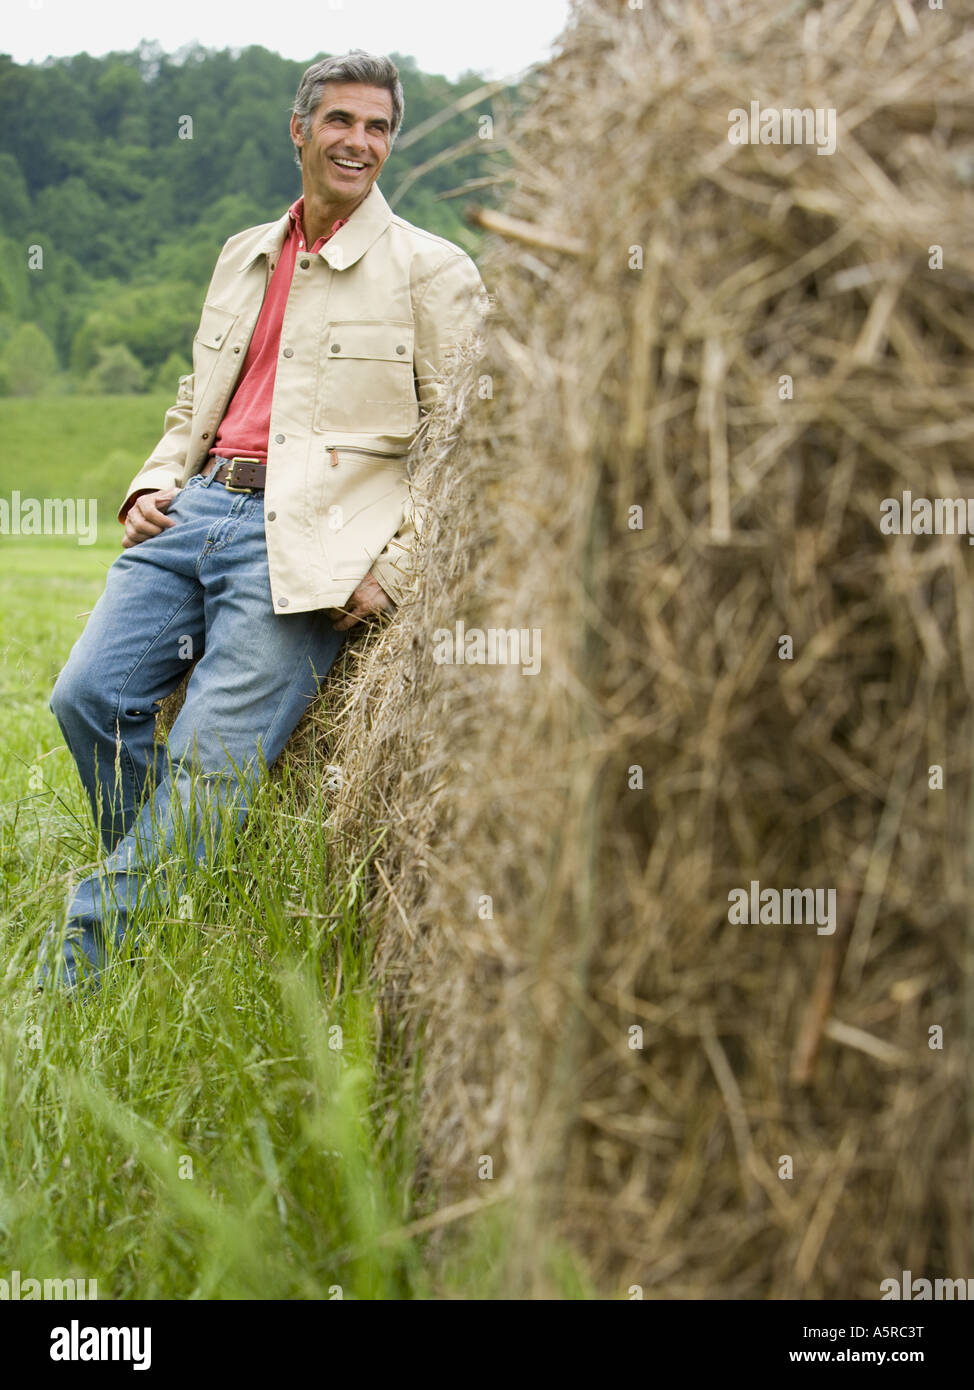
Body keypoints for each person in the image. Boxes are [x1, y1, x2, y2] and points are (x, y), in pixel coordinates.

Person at [36, 50, 488, 991]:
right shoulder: (244, 253)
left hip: (308, 546)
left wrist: (395, 571)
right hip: (197, 509)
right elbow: (193, 396)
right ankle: (176, 893)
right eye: (340, 122)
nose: (358, 142)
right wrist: (152, 480)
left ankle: (85, 963)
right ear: (300, 130)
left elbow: (467, 445)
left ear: (390, 142)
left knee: (211, 765)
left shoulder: (432, 271)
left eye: (377, 127)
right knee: (86, 697)